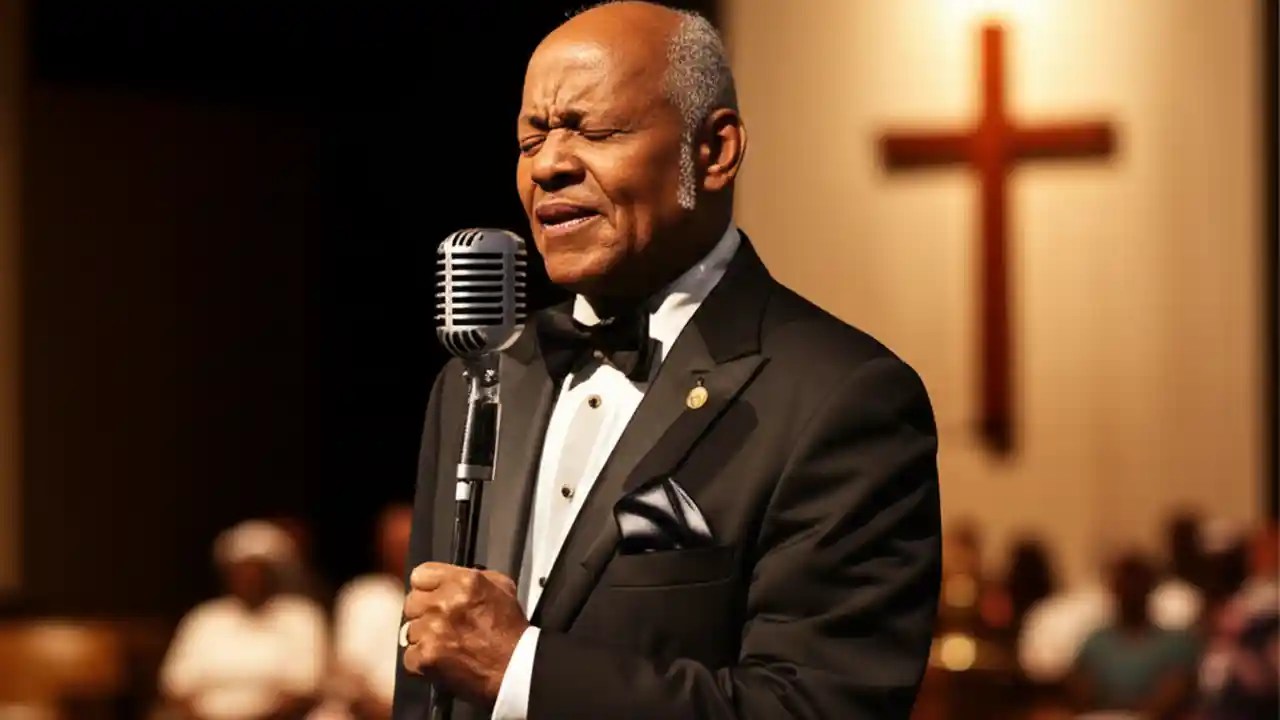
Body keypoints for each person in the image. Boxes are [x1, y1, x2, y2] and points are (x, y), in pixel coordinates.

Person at [393, 2, 941, 719]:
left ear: (712, 152)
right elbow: (428, 671)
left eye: (595, 131)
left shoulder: (843, 396)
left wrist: (524, 670)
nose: (551, 165)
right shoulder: (478, 380)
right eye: (532, 139)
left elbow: (817, 706)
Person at [159, 520, 329, 720]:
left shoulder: (301, 617)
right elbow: (176, 686)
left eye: (257, 571)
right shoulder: (204, 619)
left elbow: (304, 689)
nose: (249, 579)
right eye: (241, 571)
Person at [1068, 553, 1201, 720]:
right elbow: (1081, 694)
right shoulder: (1096, 642)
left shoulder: (1176, 643)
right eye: (1123, 585)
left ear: (1149, 588)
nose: (1129, 592)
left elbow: (1172, 694)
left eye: (1136, 585)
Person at [323, 504, 414, 720]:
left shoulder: (441, 599)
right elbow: (344, 669)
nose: (403, 551)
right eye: (395, 544)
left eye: (409, 543)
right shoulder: (362, 594)